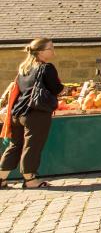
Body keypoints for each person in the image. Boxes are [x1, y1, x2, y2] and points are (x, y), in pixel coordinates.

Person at [0, 38, 63, 189]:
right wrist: (64, 89)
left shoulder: (24, 68)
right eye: (50, 48)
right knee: (32, 146)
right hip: (36, 113)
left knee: (15, 145)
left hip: (17, 113)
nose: (53, 51)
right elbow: (56, 89)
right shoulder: (47, 68)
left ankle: (1, 178)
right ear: (41, 52)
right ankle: (30, 180)